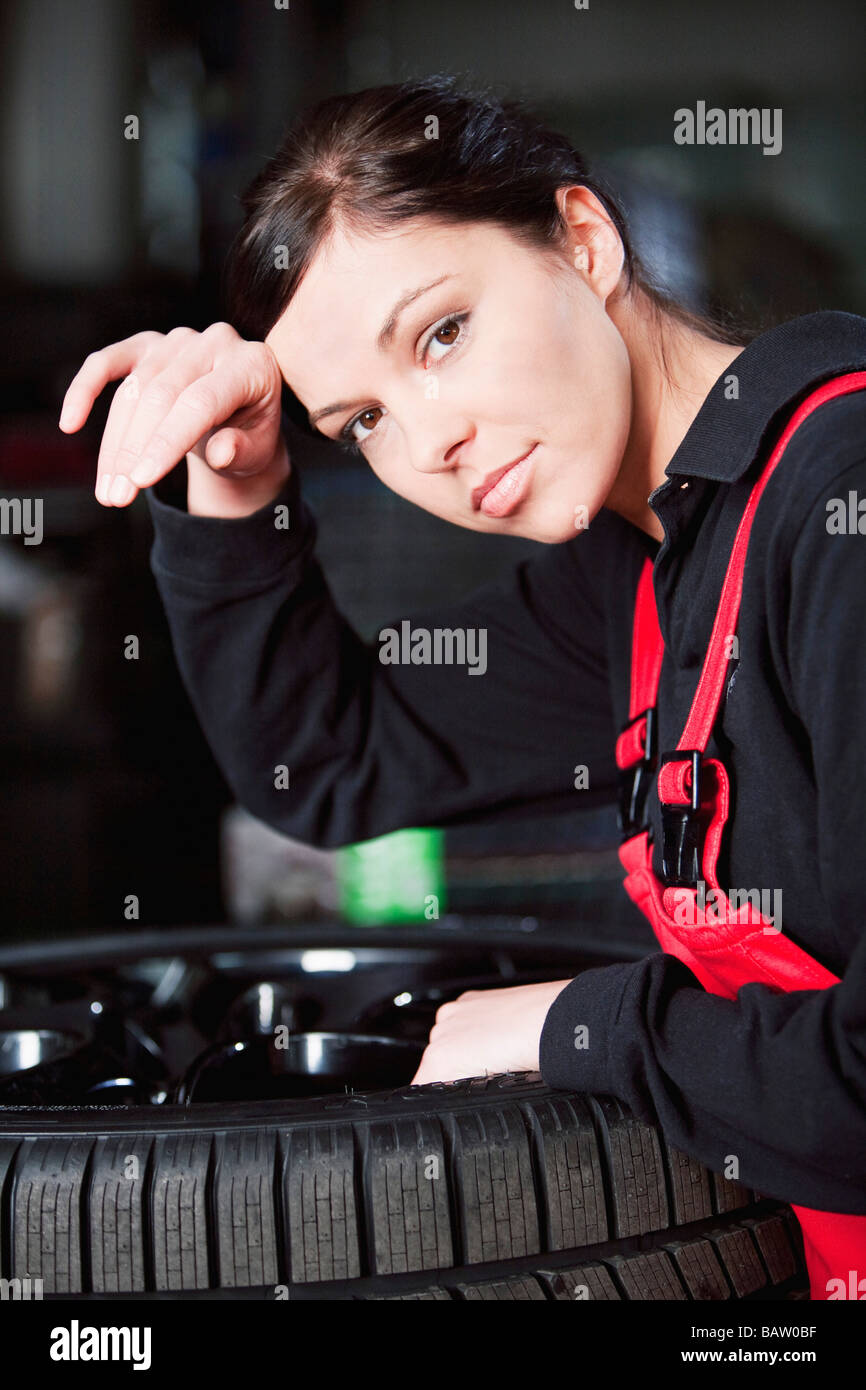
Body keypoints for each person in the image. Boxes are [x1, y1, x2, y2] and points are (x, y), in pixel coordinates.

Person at [59, 76, 866, 1296]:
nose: (424, 441)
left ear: (581, 243)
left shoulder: (836, 508)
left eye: (440, 332)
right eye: (363, 419)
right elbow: (328, 763)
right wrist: (233, 485)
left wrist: (573, 1023)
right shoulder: (644, 564)